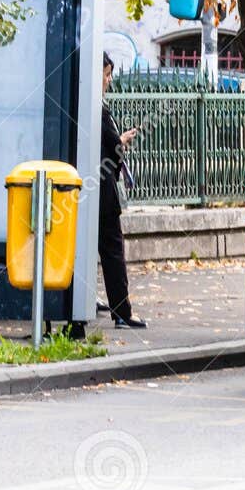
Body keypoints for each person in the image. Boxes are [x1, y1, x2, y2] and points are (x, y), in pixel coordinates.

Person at [99, 54, 145, 328]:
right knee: (113, 251)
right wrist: (122, 141)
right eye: (106, 74)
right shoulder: (99, 110)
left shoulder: (90, 106)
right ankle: (122, 312)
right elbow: (112, 148)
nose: (109, 79)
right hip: (103, 192)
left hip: (92, 191)